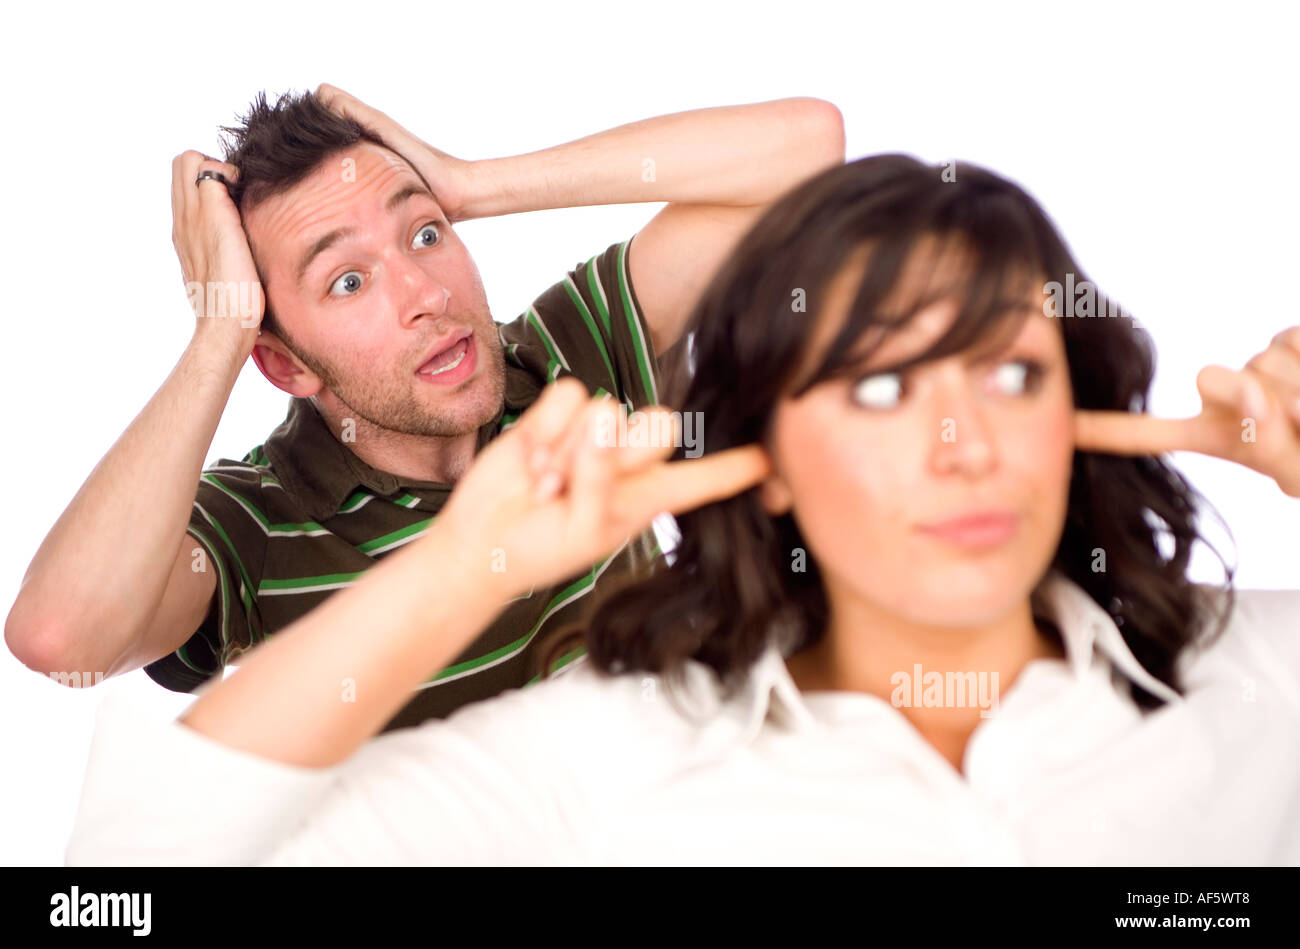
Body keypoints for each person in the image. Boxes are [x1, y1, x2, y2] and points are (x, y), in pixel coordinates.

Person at [66, 155, 1300, 865]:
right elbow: (120, 885)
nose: (960, 441)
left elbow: (804, 141)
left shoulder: (1258, 682)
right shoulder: (601, 752)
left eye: (1011, 371)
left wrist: (476, 179)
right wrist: (465, 566)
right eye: (877, 384)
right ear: (768, 445)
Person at [5, 86, 845, 728]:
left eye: (426, 235)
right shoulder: (259, 526)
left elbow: (808, 151)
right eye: (347, 280)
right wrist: (219, 332)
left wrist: (468, 184)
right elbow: (61, 641)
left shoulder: (564, 359)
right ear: (284, 365)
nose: (423, 294)